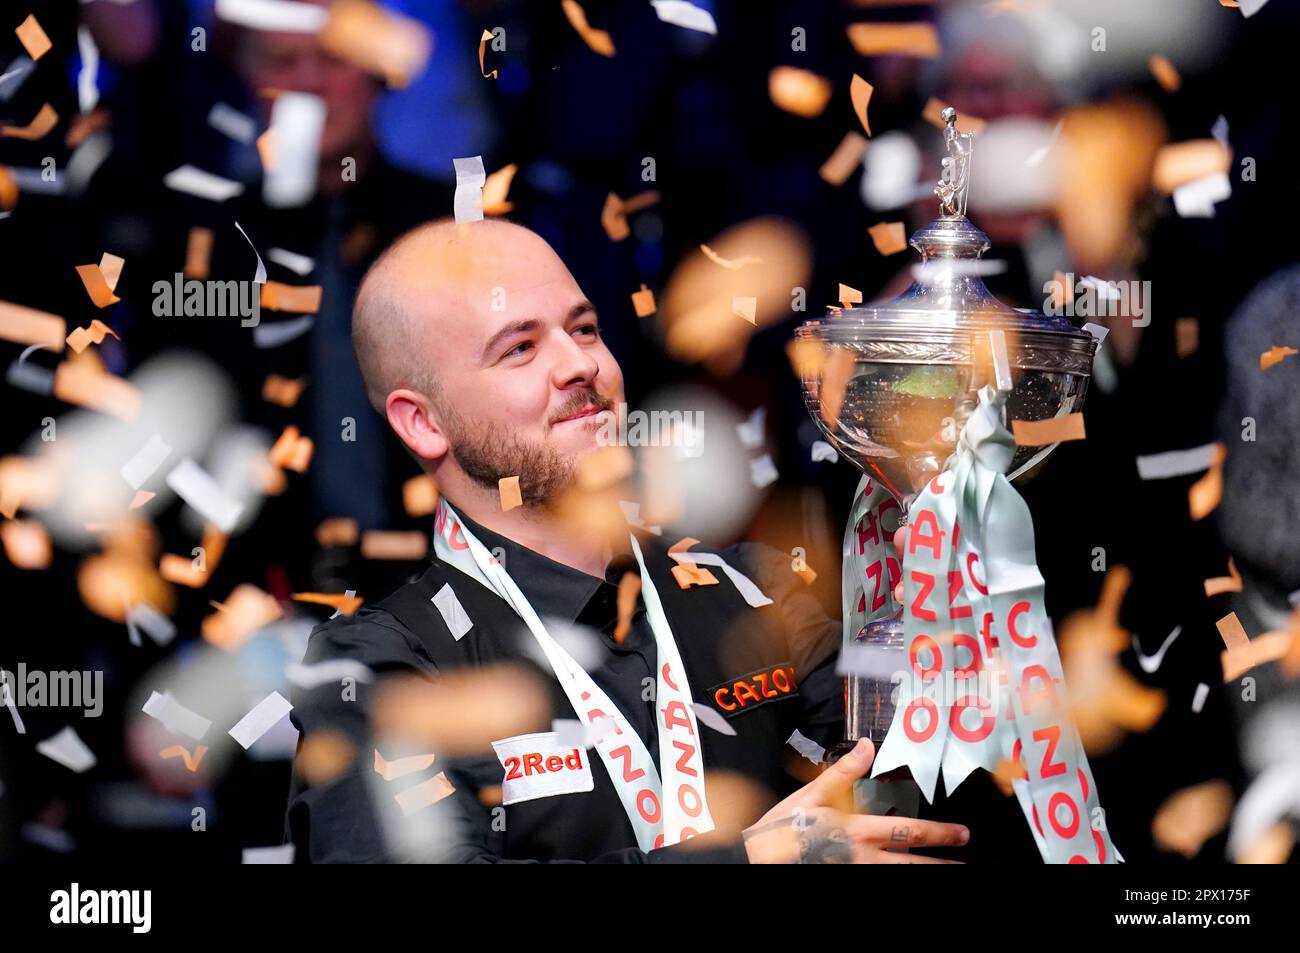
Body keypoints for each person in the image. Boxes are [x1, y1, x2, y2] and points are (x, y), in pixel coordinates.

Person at [283, 217, 970, 862]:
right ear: (423, 423)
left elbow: (914, 787)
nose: (580, 366)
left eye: (583, 329)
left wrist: (951, 584)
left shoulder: (756, 589)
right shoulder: (380, 669)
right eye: (519, 348)